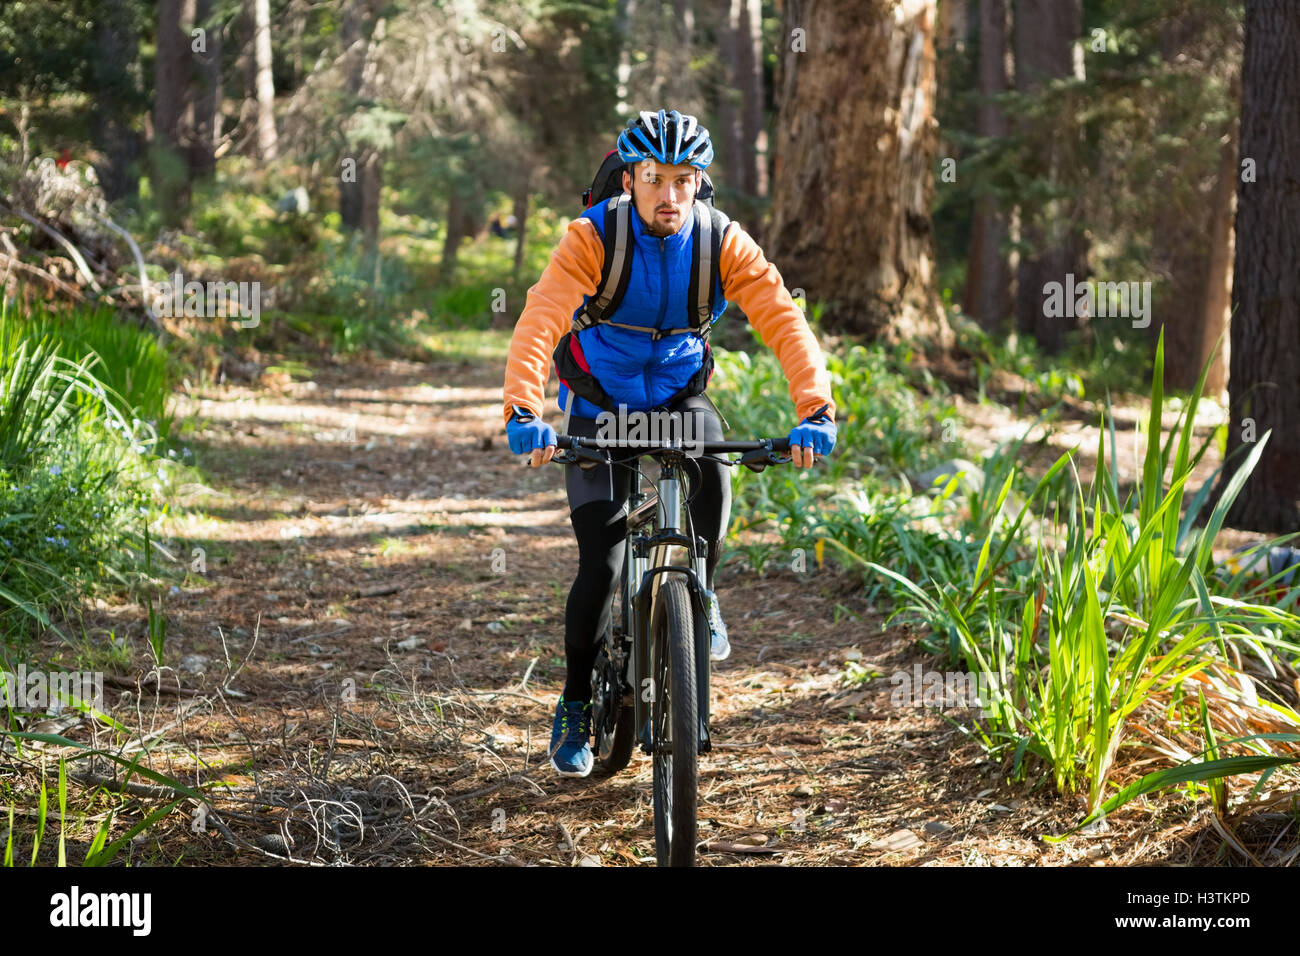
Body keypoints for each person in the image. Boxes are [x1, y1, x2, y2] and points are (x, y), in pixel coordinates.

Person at [501, 109, 837, 777]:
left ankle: (701, 596)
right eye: (654, 178)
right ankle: (572, 703)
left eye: (684, 180)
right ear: (629, 179)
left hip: (680, 394)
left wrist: (816, 409)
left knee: (711, 462)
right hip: (599, 400)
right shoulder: (593, 237)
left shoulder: (719, 241)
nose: (669, 195)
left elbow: (782, 317)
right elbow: (542, 316)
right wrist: (523, 408)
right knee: (600, 559)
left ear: (699, 182)